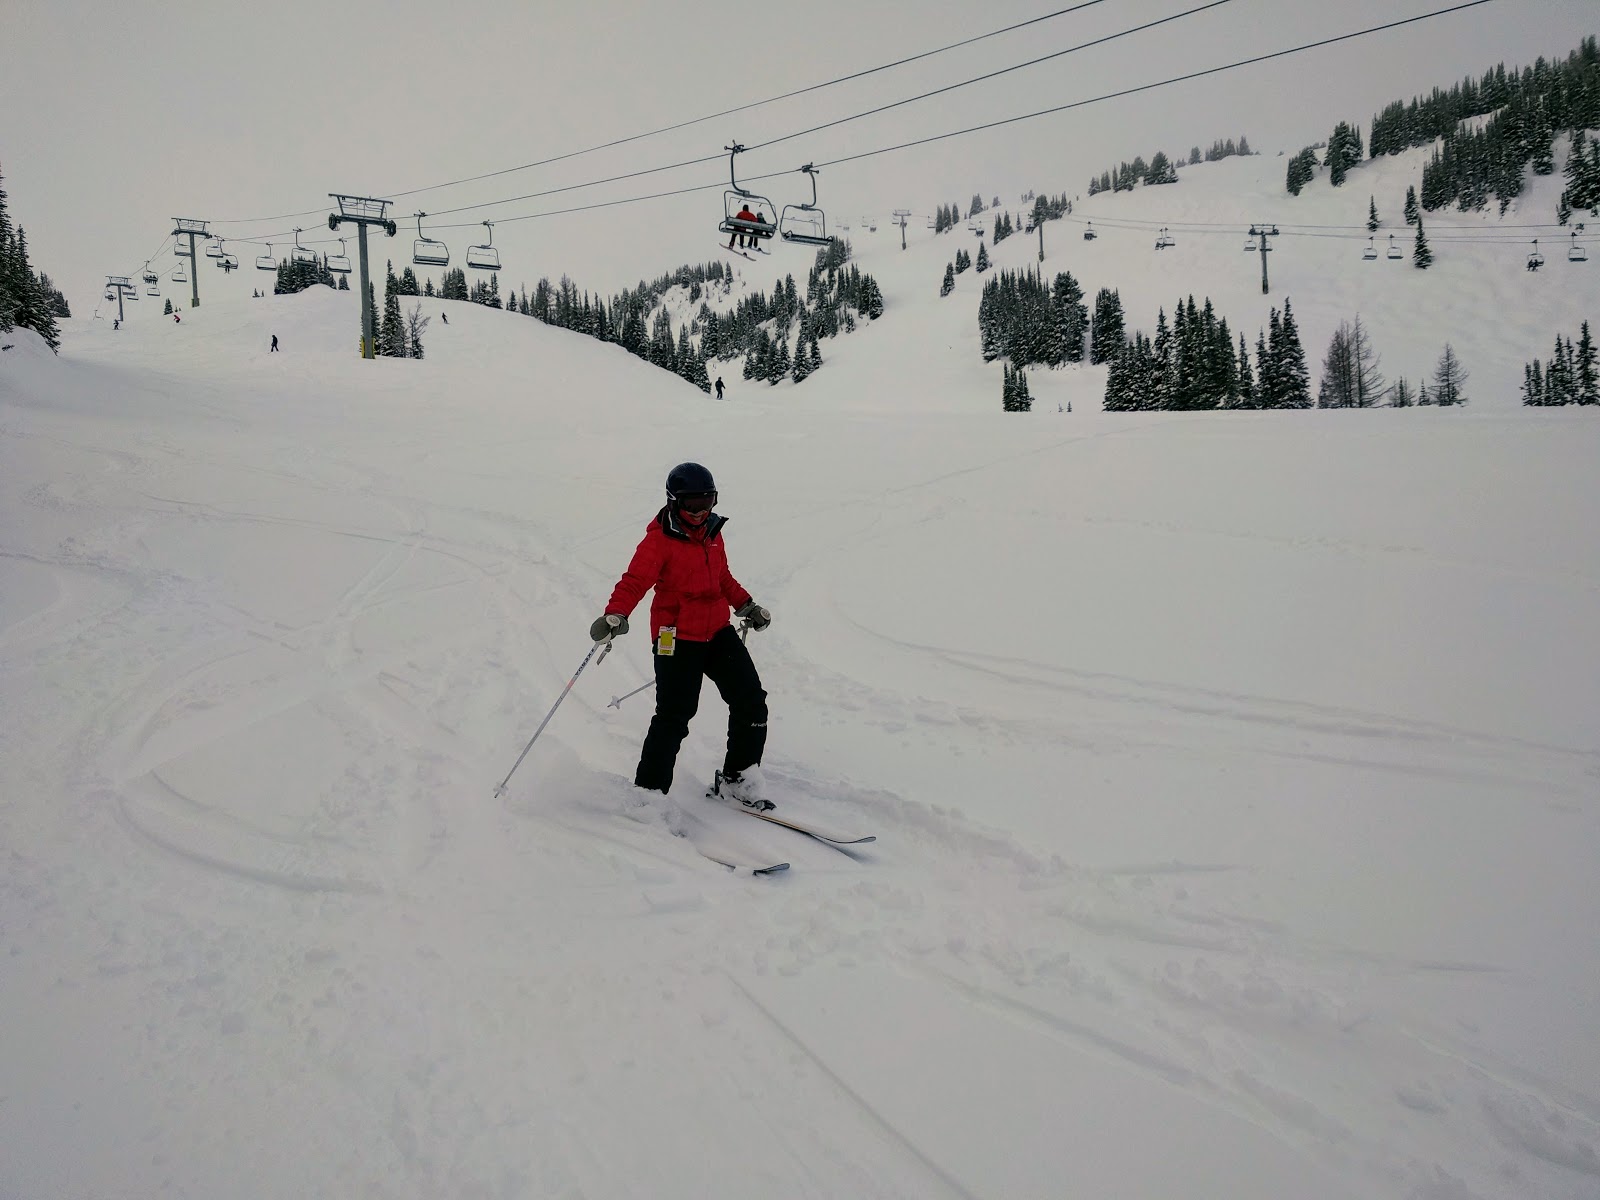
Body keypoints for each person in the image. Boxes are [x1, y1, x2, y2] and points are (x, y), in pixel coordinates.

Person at [591, 462, 773, 810]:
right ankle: (648, 795)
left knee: (751, 700)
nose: (702, 510)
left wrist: (746, 606)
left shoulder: (712, 532)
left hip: (717, 630)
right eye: (693, 503)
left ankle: (738, 779)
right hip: (675, 636)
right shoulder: (658, 540)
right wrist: (615, 614)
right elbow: (634, 581)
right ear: (674, 502)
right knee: (675, 714)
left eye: (709, 501)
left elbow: (723, 578)